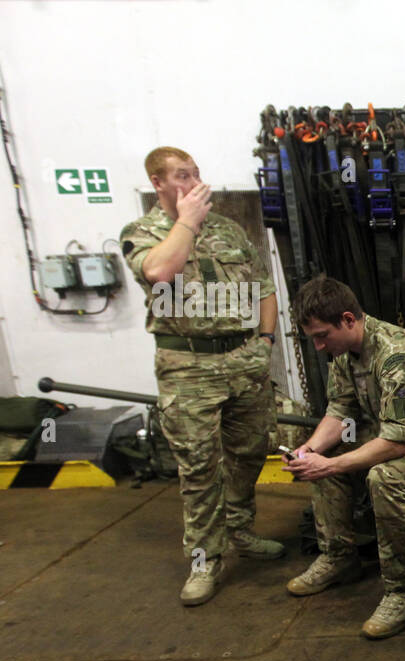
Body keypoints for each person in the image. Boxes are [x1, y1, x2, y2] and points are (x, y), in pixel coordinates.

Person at [121, 146, 282, 606]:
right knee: (198, 469)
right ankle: (205, 561)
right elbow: (159, 271)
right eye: (181, 176)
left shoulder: (229, 230)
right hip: (187, 368)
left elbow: (265, 290)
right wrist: (187, 220)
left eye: (195, 173)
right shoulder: (144, 233)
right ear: (157, 182)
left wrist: (265, 343)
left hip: (243, 360)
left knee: (252, 450)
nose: (193, 182)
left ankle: (239, 528)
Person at [282, 276, 405, 637]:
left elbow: (399, 443)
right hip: (396, 431)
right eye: (314, 338)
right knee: (324, 456)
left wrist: (331, 464)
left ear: (349, 319)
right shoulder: (343, 352)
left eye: (323, 335)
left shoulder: (395, 355)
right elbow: (340, 409)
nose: (319, 346)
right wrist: (311, 450)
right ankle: (339, 555)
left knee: (384, 475)